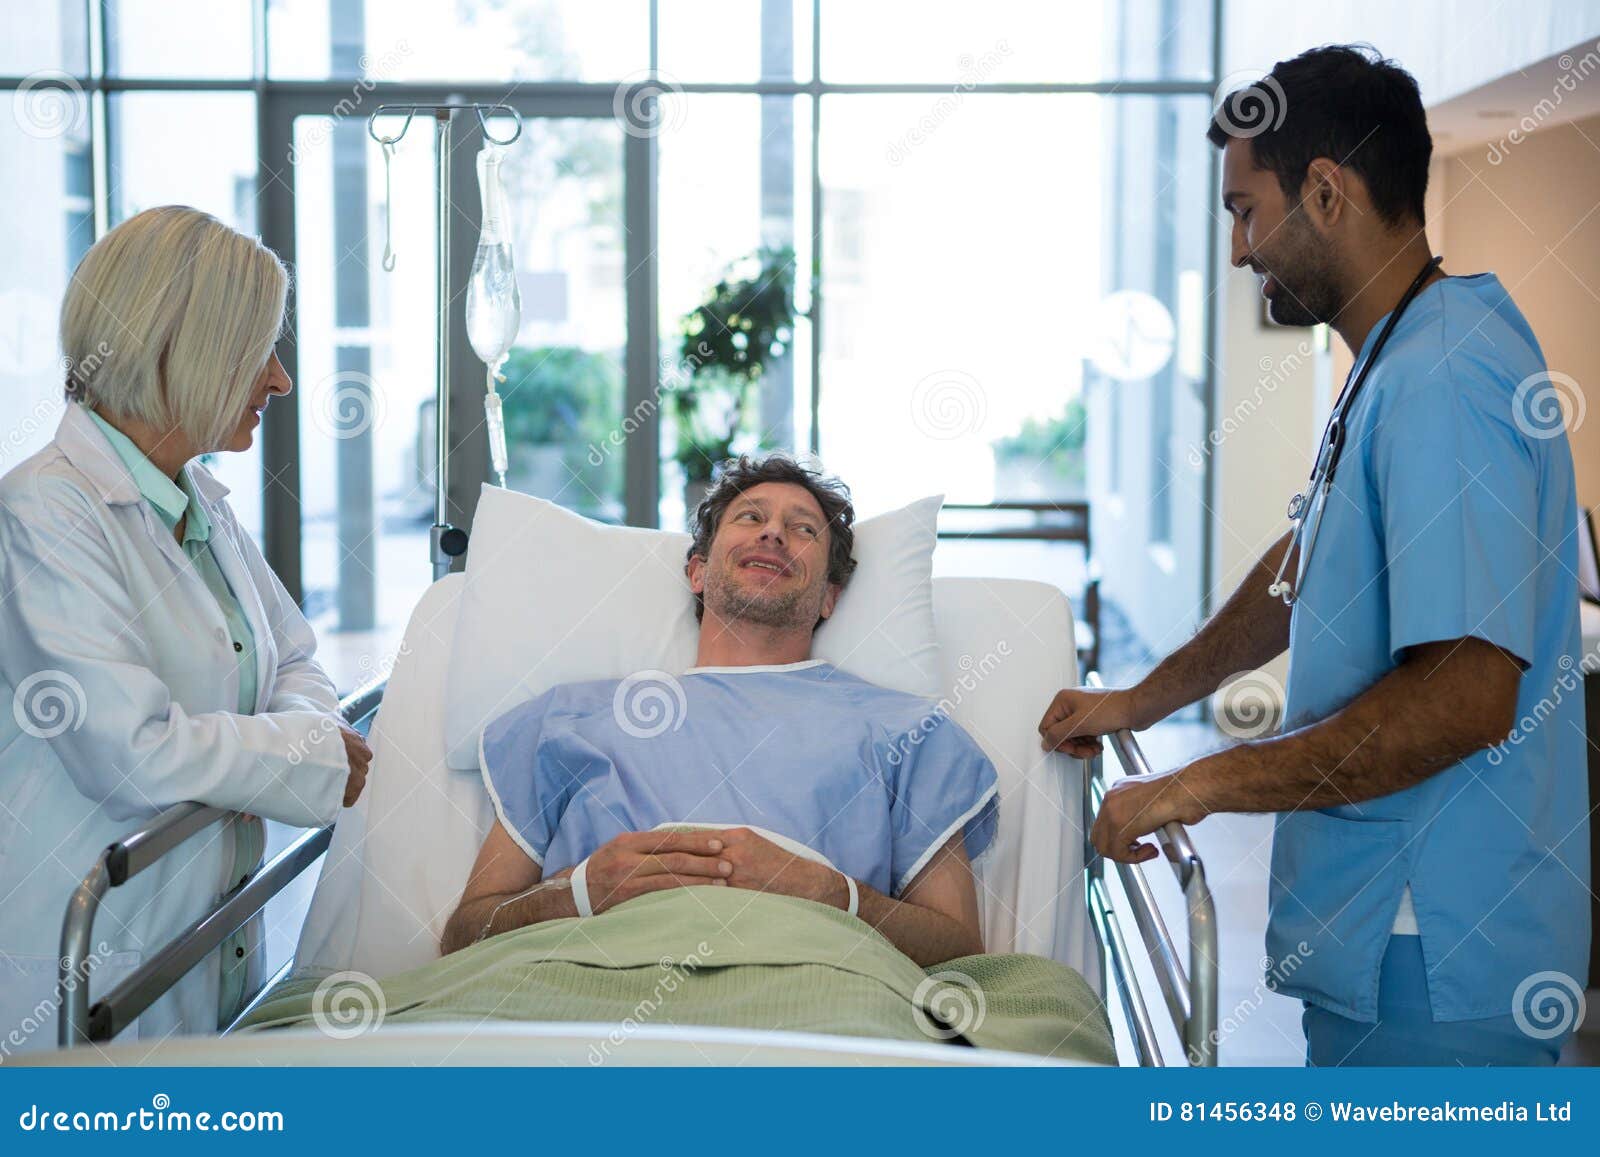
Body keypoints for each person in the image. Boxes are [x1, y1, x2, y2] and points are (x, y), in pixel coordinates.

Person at [1040, 46, 1586, 1065]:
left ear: (1325, 191)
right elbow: (1308, 564)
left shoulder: (1441, 382)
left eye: (1247, 211)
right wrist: (1145, 701)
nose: (1241, 251)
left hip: (1435, 943)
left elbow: (1465, 695)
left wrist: (1195, 784)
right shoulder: (1393, 362)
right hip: (1387, 933)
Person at [0, 206, 371, 1049]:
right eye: (258, 351)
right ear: (175, 347)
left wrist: (292, 735)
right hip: (86, 968)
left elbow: (295, 658)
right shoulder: (46, 514)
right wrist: (305, 752)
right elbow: (128, 751)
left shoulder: (196, 500)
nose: (278, 381)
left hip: (198, 939)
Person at [442, 453, 999, 966]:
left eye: (804, 529)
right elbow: (464, 935)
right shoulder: (568, 716)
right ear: (698, 573)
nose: (774, 533)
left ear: (829, 597)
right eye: (751, 517)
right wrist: (579, 892)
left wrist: (835, 896)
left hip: (814, 1003)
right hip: (581, 993)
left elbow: (960, 952)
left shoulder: (908, 731)